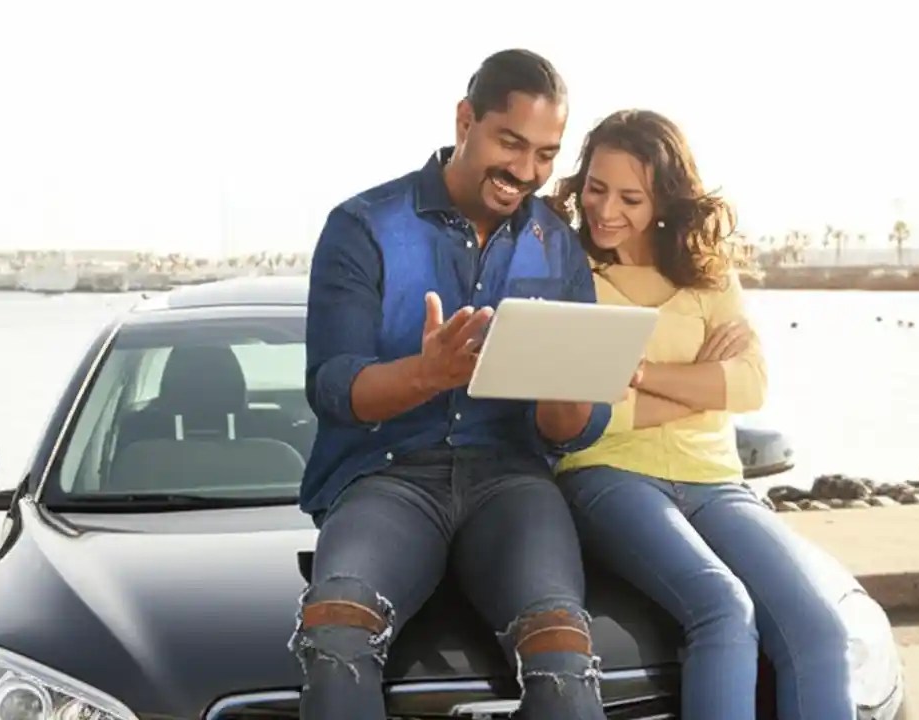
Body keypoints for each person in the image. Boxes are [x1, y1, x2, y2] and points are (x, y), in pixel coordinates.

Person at [289, 49, 613, 720]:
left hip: (512, 485)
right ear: (466, 120)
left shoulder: (559, 248)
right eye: (510, 142)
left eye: (546, 155)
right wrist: (426, 375)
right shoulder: (364, 227)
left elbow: (574, 428)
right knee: (337, 630)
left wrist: (570, 383)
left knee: (565, 655)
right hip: (387, 477)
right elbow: (332, 388)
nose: (526, 171)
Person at [548, 109, 855, 720]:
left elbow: (749, 383)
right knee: (723, 608)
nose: (606, 210)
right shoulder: (566, 272)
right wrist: (695, 387)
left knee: (820, 629)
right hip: (606, 476)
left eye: (630, 196)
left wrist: (637, 376)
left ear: (664, 198)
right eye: (596, 189)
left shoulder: (707, 271)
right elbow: (585, 416)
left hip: (716, 482)